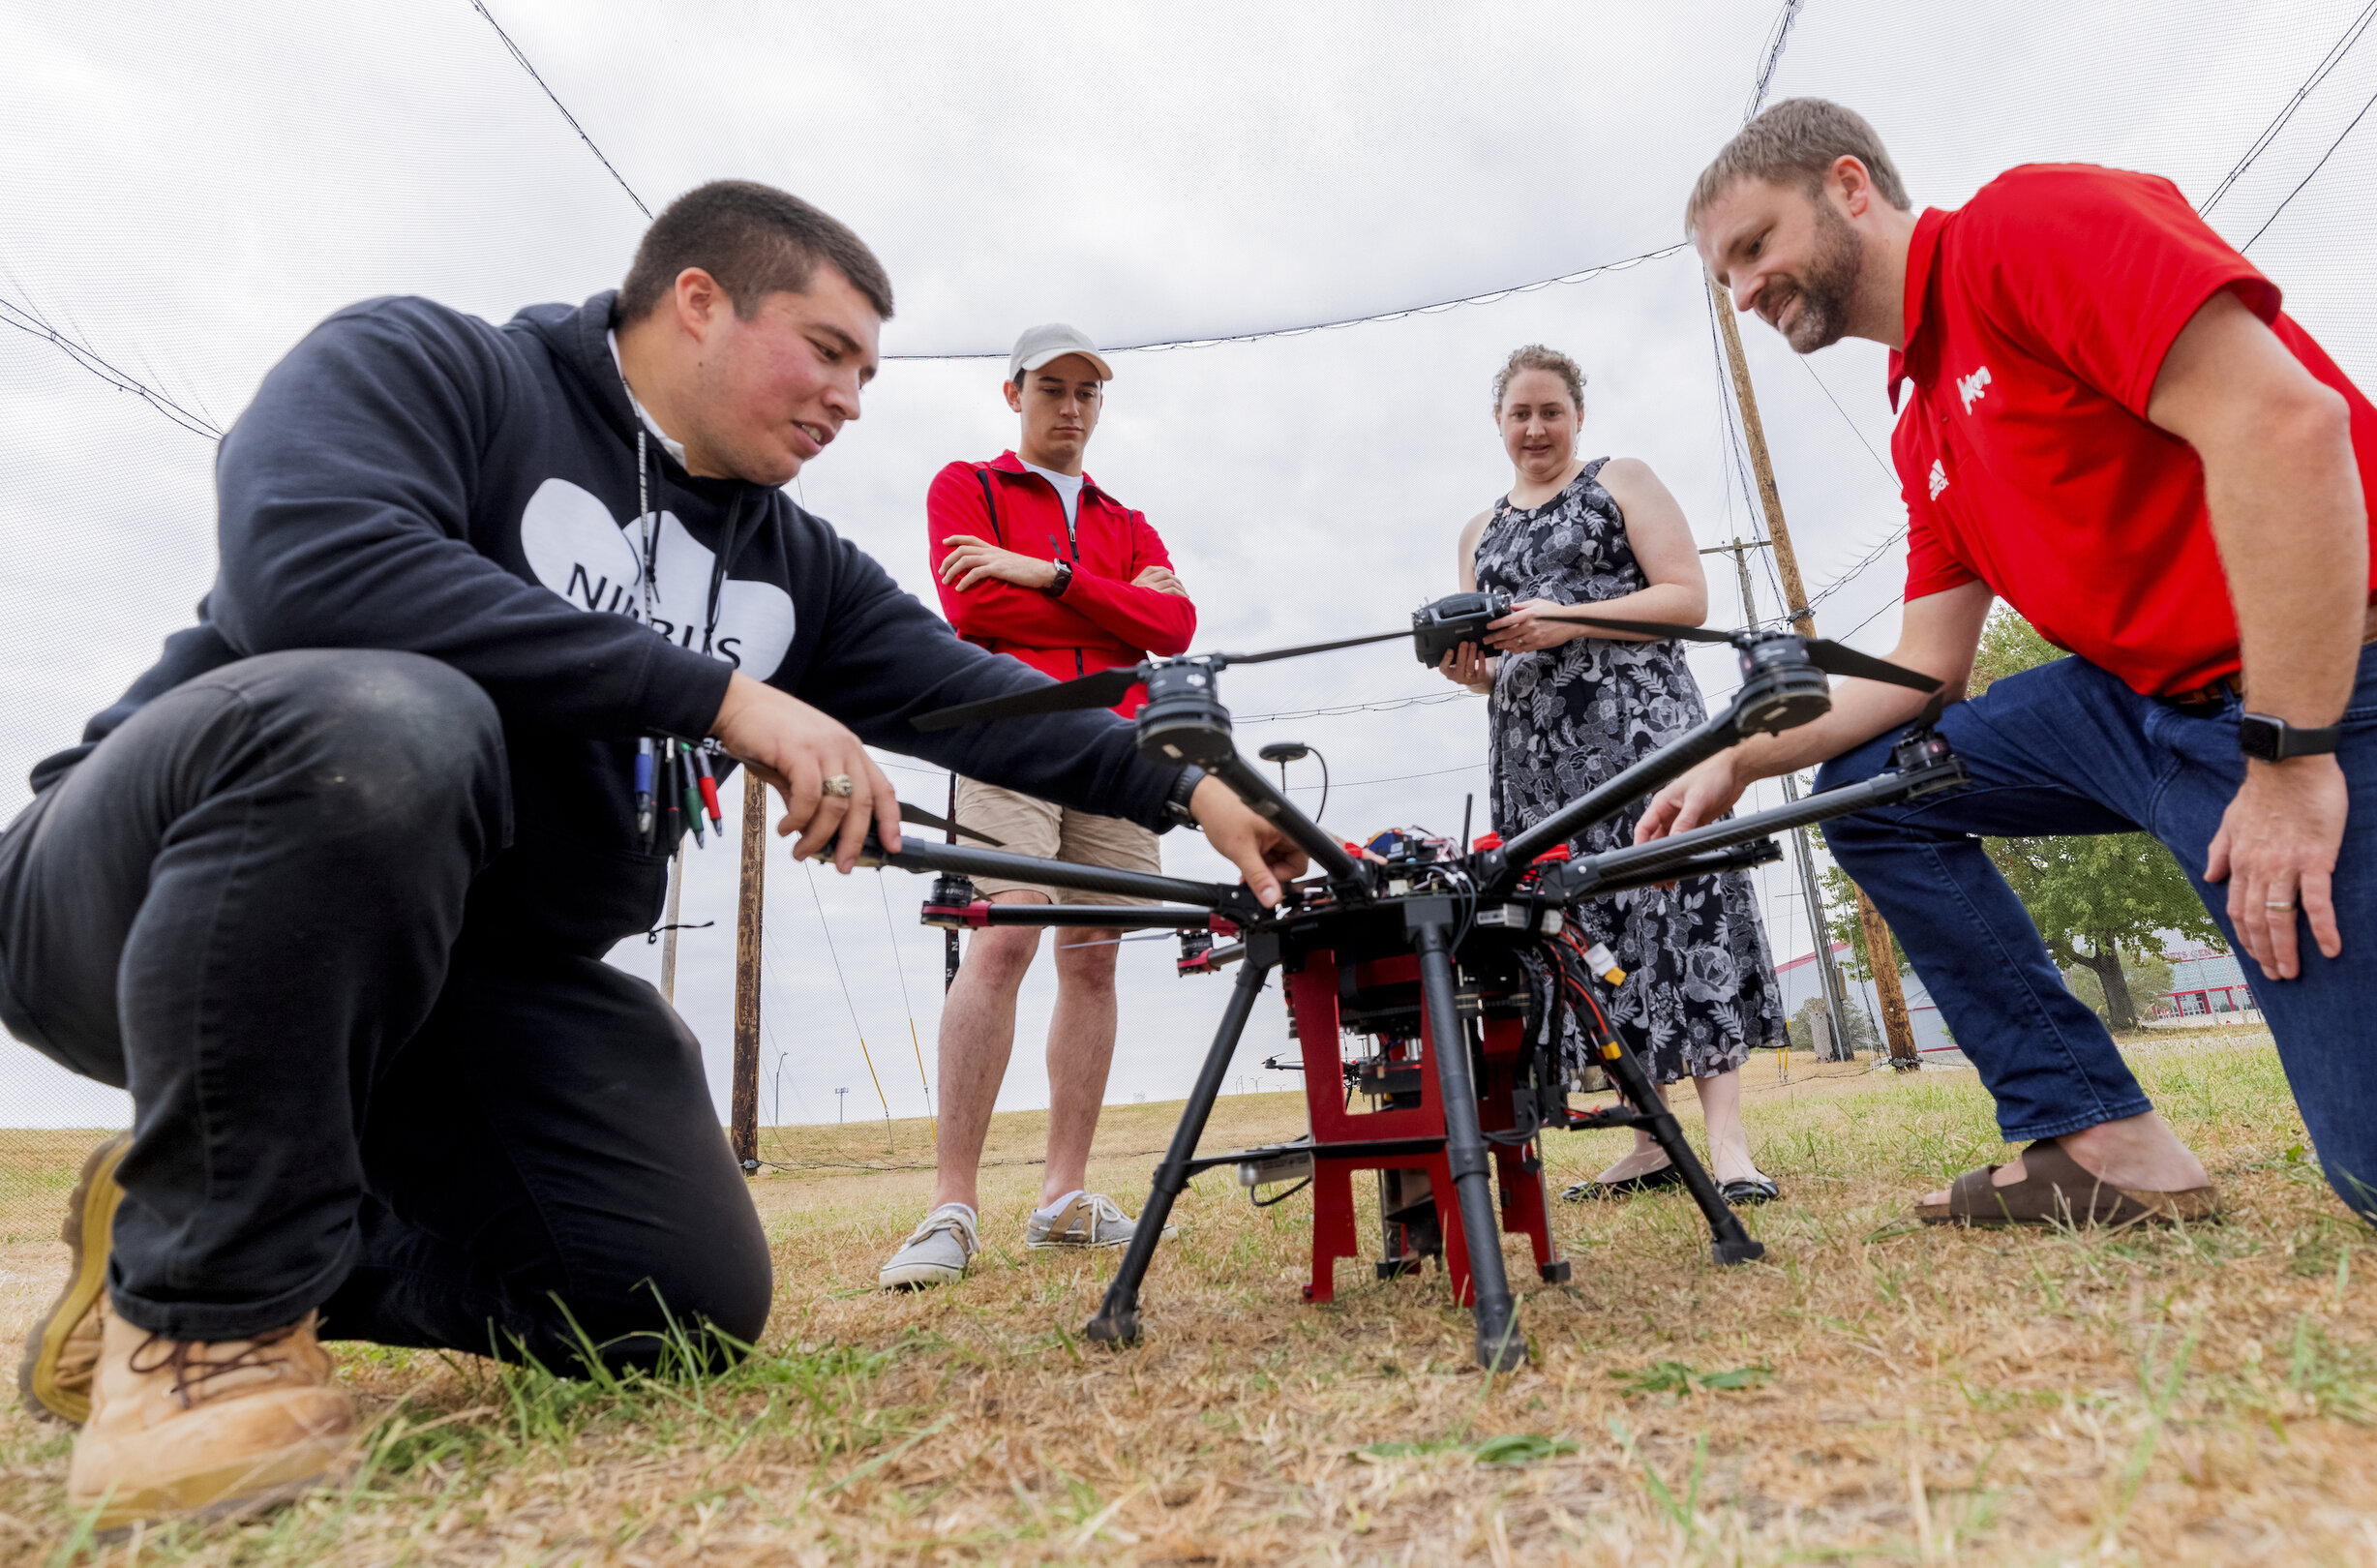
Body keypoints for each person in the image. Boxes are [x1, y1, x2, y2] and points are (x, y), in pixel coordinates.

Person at [0, 181, 1306, 1530]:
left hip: (461, 989)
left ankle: (190, 1216)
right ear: (698, 301)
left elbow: (985, 698)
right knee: (392, 721)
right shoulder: (435, 367)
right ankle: (203, 1323)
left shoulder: (792, 567)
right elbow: (311, 562)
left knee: (675, 1301)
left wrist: (1195, 786)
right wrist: (721, 697)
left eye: (868, 374)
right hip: (143, 897)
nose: (850, 399)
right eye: (829, 350)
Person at [1645, 98, 2377, 1235]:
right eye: (1724, 275)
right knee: (1877, 789)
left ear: (1849, 187)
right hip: (2157, 709)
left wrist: (2289, 758)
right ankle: (2100, 1143)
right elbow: (1923, 667)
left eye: (1755, 245)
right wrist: (1740, 759)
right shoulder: (1922, 413)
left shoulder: (2022, 231)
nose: (1744, 291)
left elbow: (2283, 424)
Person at [875, 325, 1195, 1289]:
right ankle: (952, 1205)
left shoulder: (1127, 518)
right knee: (1005, 936)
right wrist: (1111, 603)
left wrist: (1048, 575)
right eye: (1052, 387)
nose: (1070, 406)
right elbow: (975, 612)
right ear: (1013, 393)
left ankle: (1063, 1197)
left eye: (1087, 391)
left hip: (1118, 747)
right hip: (1010, 733)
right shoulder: (966, 486)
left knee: (1094, 956)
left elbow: (1173, 626)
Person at [1437, 345, 1786, 1206]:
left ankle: (1728, 1147)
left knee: (1681, 907)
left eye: (1550, 411)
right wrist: (1467, 669)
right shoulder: (1478, 532)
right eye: (1520, 414)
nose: (1535, 428)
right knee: (1585, 932)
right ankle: (1649, 1139)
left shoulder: (1619, 479)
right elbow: (1495, 662)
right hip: (1536, 761)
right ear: (1497, 424)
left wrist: (1568, 619)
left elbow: (1686, 599)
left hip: (1641, 737)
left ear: (1578, 416)